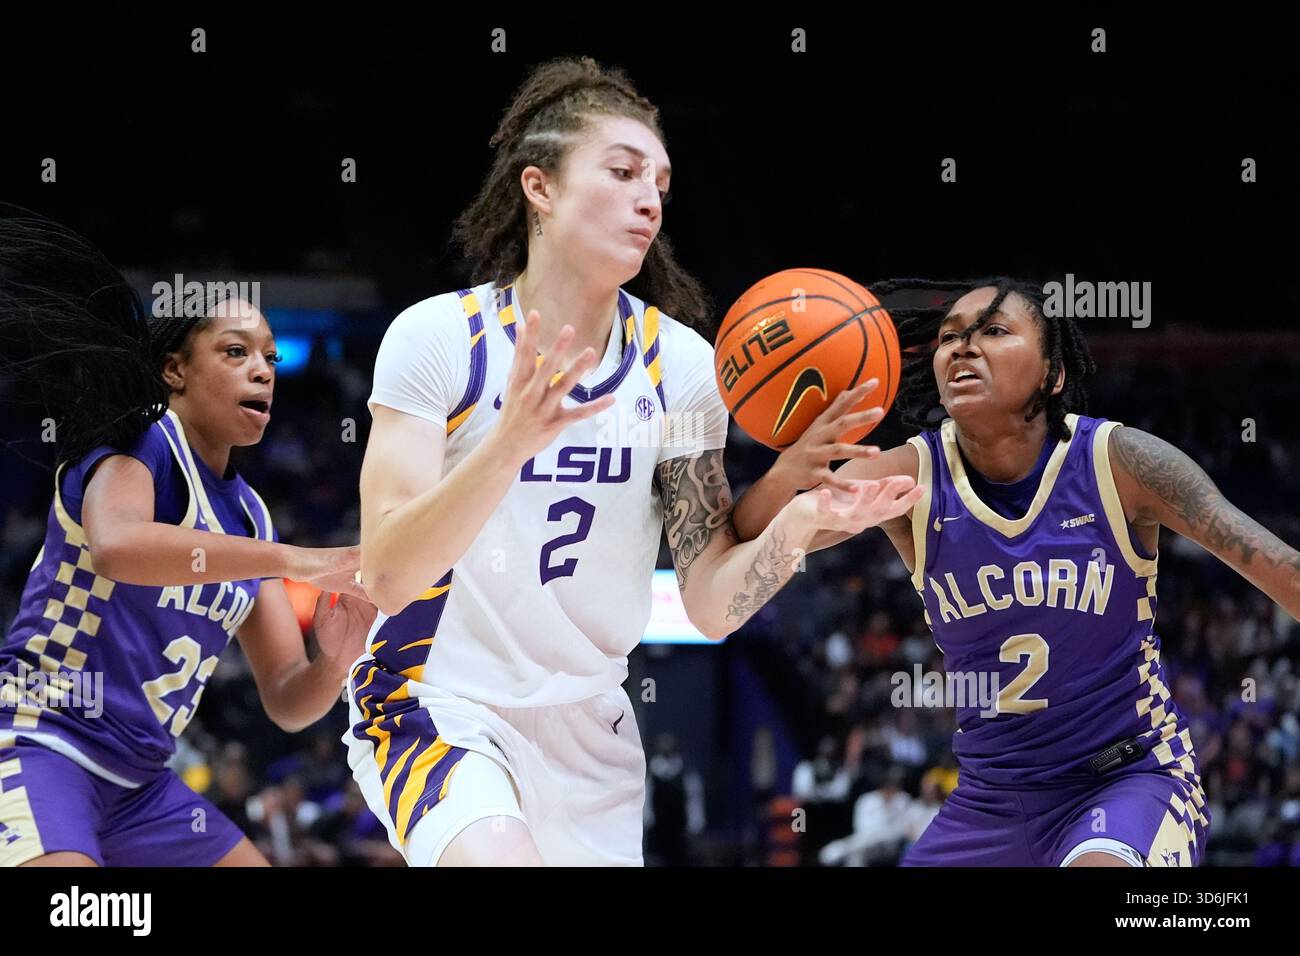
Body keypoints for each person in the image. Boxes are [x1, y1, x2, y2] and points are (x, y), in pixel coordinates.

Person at [344, 57, 921, 867]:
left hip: (592, 729)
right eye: (621, 172)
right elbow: (387, 576)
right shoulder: (439, 339)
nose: (649, 197)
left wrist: (797, 521)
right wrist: (508, 444)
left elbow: (712, 604)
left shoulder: (682, 368)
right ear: (538, 188)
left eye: (661, 182)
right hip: (436, 701)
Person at [735, 276, 1300, 866]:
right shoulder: (910, 477)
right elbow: (750, 533)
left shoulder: (1121, 462)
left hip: (1127, 780)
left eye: (994, 332)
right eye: (950, 336)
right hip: (988, 802)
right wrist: (786, 471)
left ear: (1053, 373)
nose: (963, 347)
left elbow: (1279, 567)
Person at [0, 209, 375, 866]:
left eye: (270, 357)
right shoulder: (138, 450)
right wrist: (297, 561)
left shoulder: (251, 517)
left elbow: (287, 698)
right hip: (42, 740)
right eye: (236, 352)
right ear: (174, 370)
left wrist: (334, 662)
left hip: (142, 786)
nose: (263, 370)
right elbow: (118, 547)